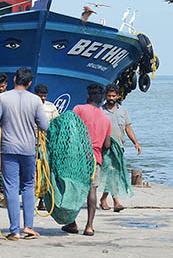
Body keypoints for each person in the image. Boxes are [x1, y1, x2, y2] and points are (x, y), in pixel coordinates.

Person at [0, 67, 50, 240]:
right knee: (29, 186)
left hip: (8, 149)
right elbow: (45, 126)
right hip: (29, 149)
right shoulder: (36, 101)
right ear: (30, 83)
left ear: (14, 79)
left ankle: (14, 230)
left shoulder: (2, 98)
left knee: (11, 188)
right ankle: (28, 227)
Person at [63, 83, 111, 236]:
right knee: (92, 190)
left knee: (74, 189)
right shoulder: (106, 118)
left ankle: (72, 223)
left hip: (78, 157)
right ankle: (89, 226)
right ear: (102, 99)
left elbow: (69, 130)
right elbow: (107, 144)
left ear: (88, 96)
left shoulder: (79, 109)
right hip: (95, 159)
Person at [100, 84, 141, 211]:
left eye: (113, 96)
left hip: (119, 147)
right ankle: (116, 201)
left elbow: (128, 128)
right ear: (105, 96)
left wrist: (136, 142)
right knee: (111, 173)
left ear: (118, 96)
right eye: (109, 96)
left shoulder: (123, 111)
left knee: (114, 174)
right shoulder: (101, 111)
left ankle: (103, 199)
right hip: (105, 148)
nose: (111, 98)